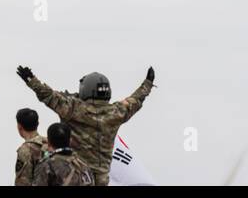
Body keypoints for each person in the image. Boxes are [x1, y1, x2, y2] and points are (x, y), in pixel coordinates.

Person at [17, 65, 154, 186]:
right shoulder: (117, 113)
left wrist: (31, 80)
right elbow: (135, 100)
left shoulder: (74, 110)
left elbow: (48, 95)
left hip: (76, 176)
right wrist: (147, 83)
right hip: (101, 180)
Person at [14, 108, 47, 186]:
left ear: (19, 127)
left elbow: (22, 182)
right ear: (37, 124)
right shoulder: (50, 143)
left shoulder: (25, 150)